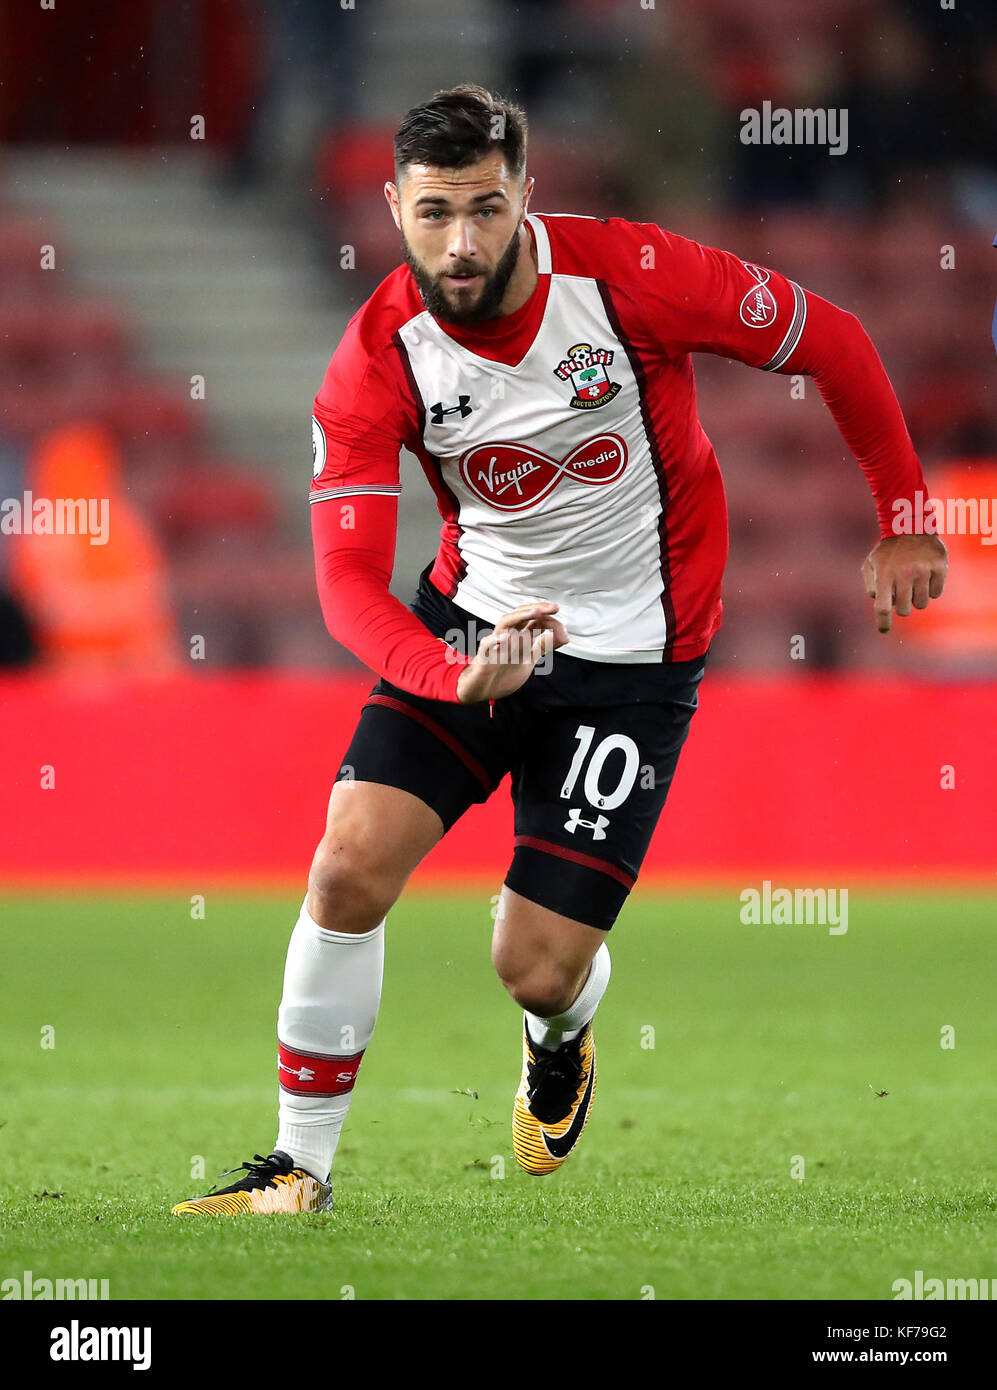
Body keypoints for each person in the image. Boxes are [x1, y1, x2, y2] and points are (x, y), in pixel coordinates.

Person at [172, 84, 947, 1216]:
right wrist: (450, 669)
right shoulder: (378, 356)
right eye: (435, 213)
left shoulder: (632, 277)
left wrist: (905, 514)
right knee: (346, 865)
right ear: (392, 207)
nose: (463, 240)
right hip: (474, 627)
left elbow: (833, 339)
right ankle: (300, 1169)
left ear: (526, 193)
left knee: (530, 963)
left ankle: (562, 1026)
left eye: (487, 207)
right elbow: (342, 579)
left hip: (633, 660)